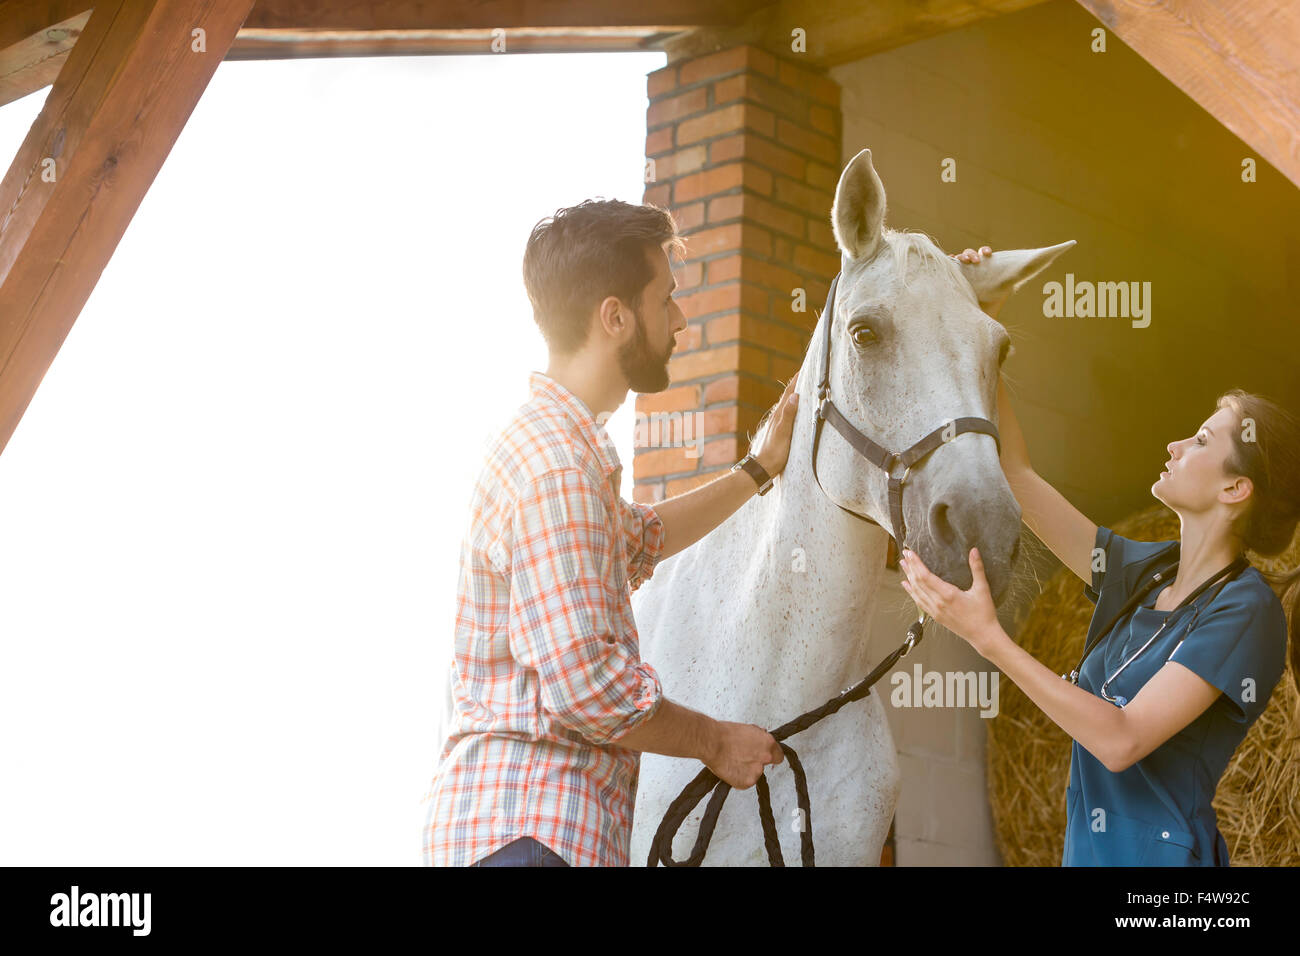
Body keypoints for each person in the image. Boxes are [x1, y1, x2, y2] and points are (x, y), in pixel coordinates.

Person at [421, 198, 798, 867]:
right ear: (615, 317)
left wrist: (759, 467)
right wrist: (716, 742)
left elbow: (642, 538)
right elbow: (587, 687)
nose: (680, 319)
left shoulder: (560, 452)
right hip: (532, 839)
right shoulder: (559, 469)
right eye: (667, 299)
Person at [899, 246, 1299, 867]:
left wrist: (991, 640)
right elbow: (1019, 477)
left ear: (1235, 489)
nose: (1173, 444)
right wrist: (987, 323)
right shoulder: (1147, 574)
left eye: (1198, 440)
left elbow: (1121, 739)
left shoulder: (1247, 609)